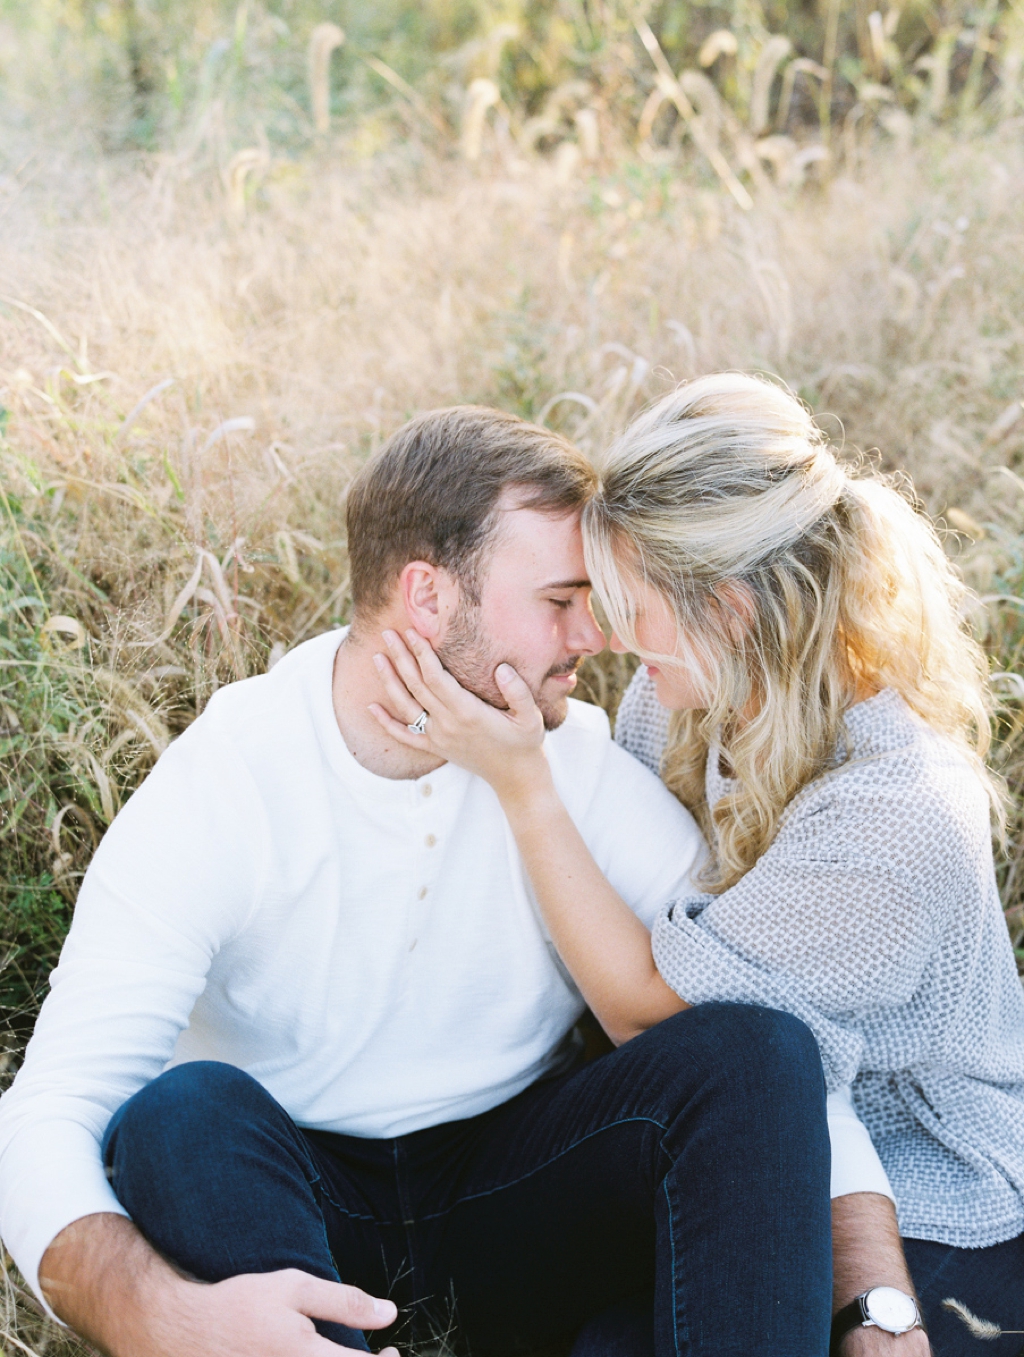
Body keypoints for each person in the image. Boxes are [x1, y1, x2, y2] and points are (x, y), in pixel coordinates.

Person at [0, 406, 847, 1357]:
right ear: (429, 596)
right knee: (178, 1115)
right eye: (562, 598)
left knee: (753, 1049)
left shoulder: (567, 760)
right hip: (291, 1189)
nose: (596, 635)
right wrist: (165, 1318)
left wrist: (877, 1293)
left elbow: (766, 1040)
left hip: (512, 1183)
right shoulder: (227, 783)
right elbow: (50, 1111)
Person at [369, 376, 1024, 1357]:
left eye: (630, 604)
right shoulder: (675, 701)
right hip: (741, 1139)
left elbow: (655, 1009)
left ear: (726, 609)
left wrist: (523, 781)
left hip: (925, 1180)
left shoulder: (896, 816)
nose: (607, 639)